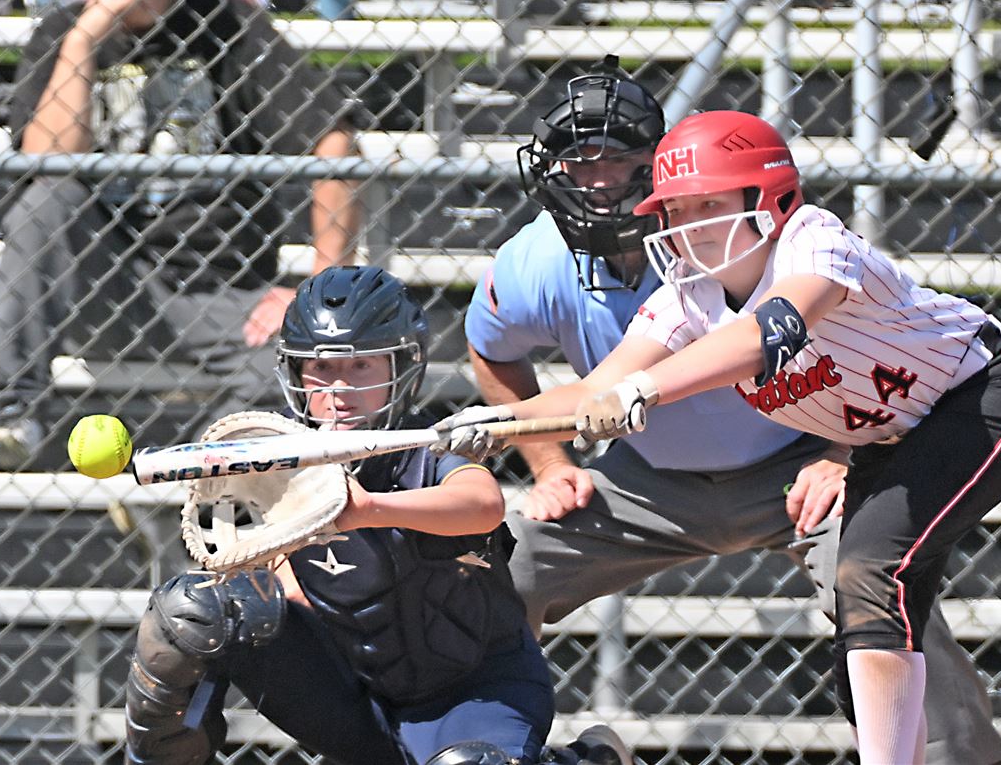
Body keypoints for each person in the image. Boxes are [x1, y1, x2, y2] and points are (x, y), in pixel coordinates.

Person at [442, 64, 1001, 765]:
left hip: (809, 462)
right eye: (680, 210)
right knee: (494, 574)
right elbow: (589, 386)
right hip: (646, 483)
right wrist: (512, 431)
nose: (692, 228)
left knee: (878, 585)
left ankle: (967, 758)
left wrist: (837, 455)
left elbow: (776, 335)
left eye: (708, 205)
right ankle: (486, 753)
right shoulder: (666, 286)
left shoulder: (806, 242)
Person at [124, 265, 631, 765]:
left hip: (470, 694)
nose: (338, 390)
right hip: (355, 694)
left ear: (402, 369)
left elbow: (482, 505)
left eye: (362, 367)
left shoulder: (427, 447)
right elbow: (275, 588)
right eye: (320, 368)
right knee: (192, 612)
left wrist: (366, 510)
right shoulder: (282, 462)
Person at [0, 0, 359, 471]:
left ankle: (171, 481)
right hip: (101, 288)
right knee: (47, 199)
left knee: (297, 369)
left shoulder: (226, 21)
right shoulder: (63, 28)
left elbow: (334, 141)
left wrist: (319, 292)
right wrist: (85, 39)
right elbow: (47, 159)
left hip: (220, 291)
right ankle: (10, 415)